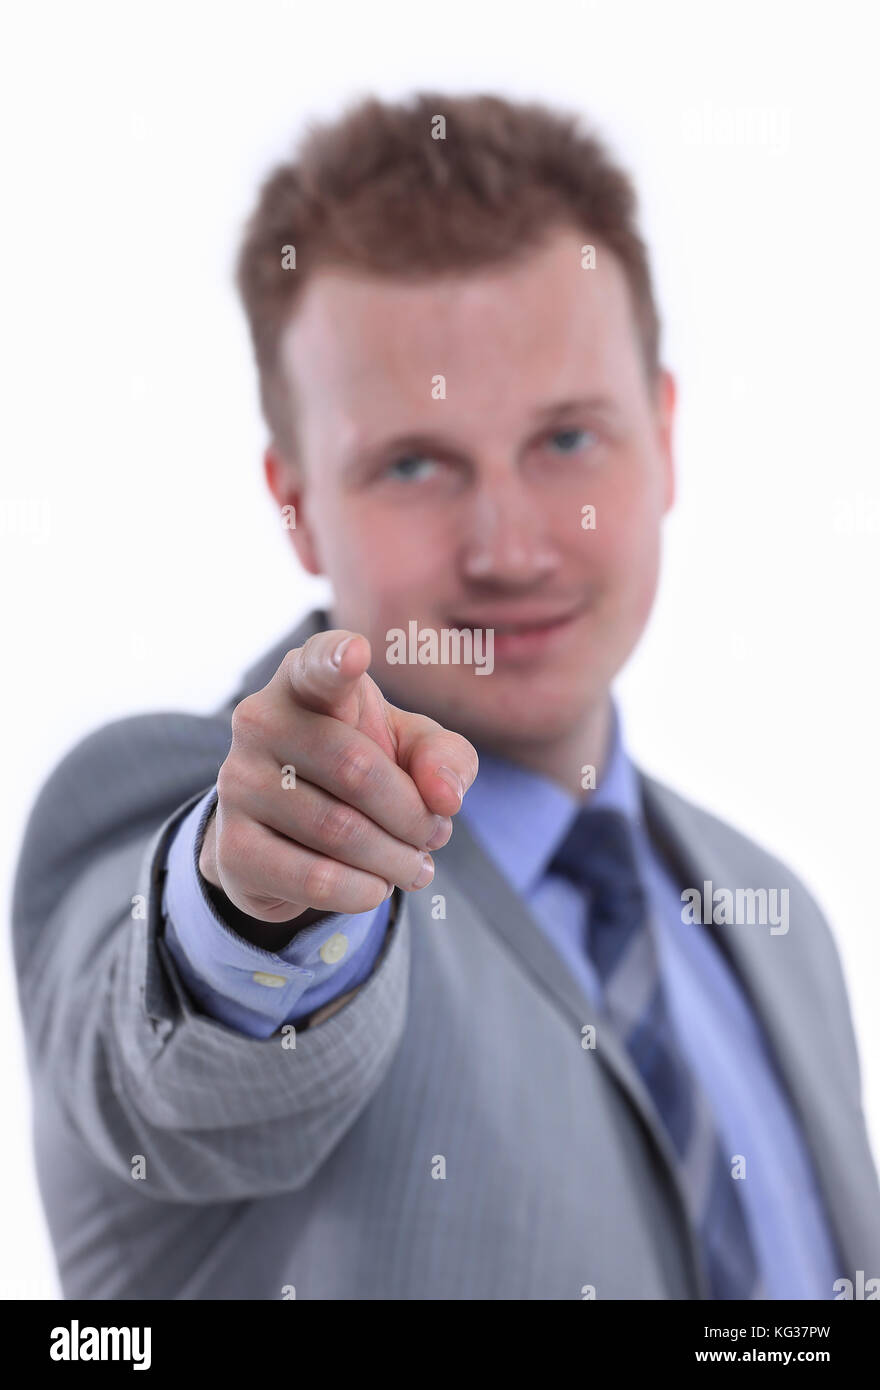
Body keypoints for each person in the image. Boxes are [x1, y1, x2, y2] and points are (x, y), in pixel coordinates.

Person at [12, 91, 880, 1300]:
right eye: (414, 462)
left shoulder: (782, 926)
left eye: (567, 439)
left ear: (665, 434)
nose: (511, 546)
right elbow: (187, 1053)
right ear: (297, 500)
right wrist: (267, 903)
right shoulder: (192, 817)